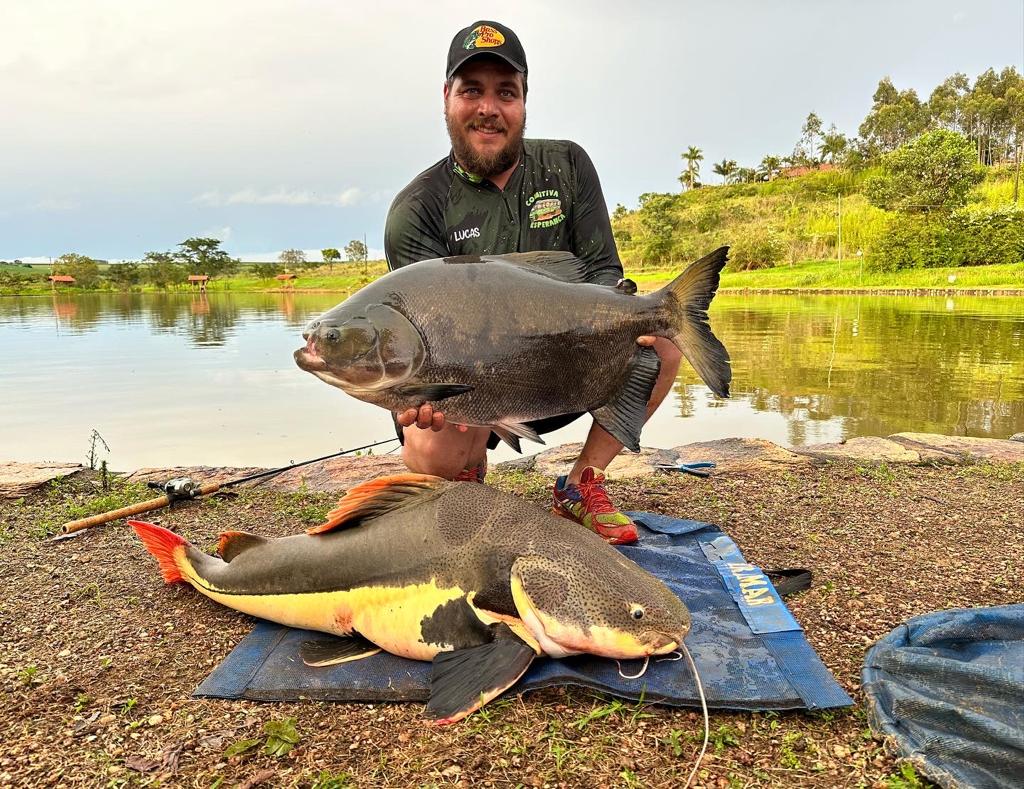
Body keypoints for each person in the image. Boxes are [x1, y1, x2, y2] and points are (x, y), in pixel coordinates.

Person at [383, 20, 682, 545]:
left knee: (662, 339)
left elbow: (606, 280)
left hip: (564, 367)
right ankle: (466, 488)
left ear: (524, 100)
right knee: (430, 446)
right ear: (447, 98)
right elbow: (416, 339)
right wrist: (417, 395)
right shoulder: (417, 209)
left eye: (506, 92)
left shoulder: (567, 165)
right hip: (469, 382)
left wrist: (621, 324)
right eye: (471, 90)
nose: (489, 108)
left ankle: (581, 483)